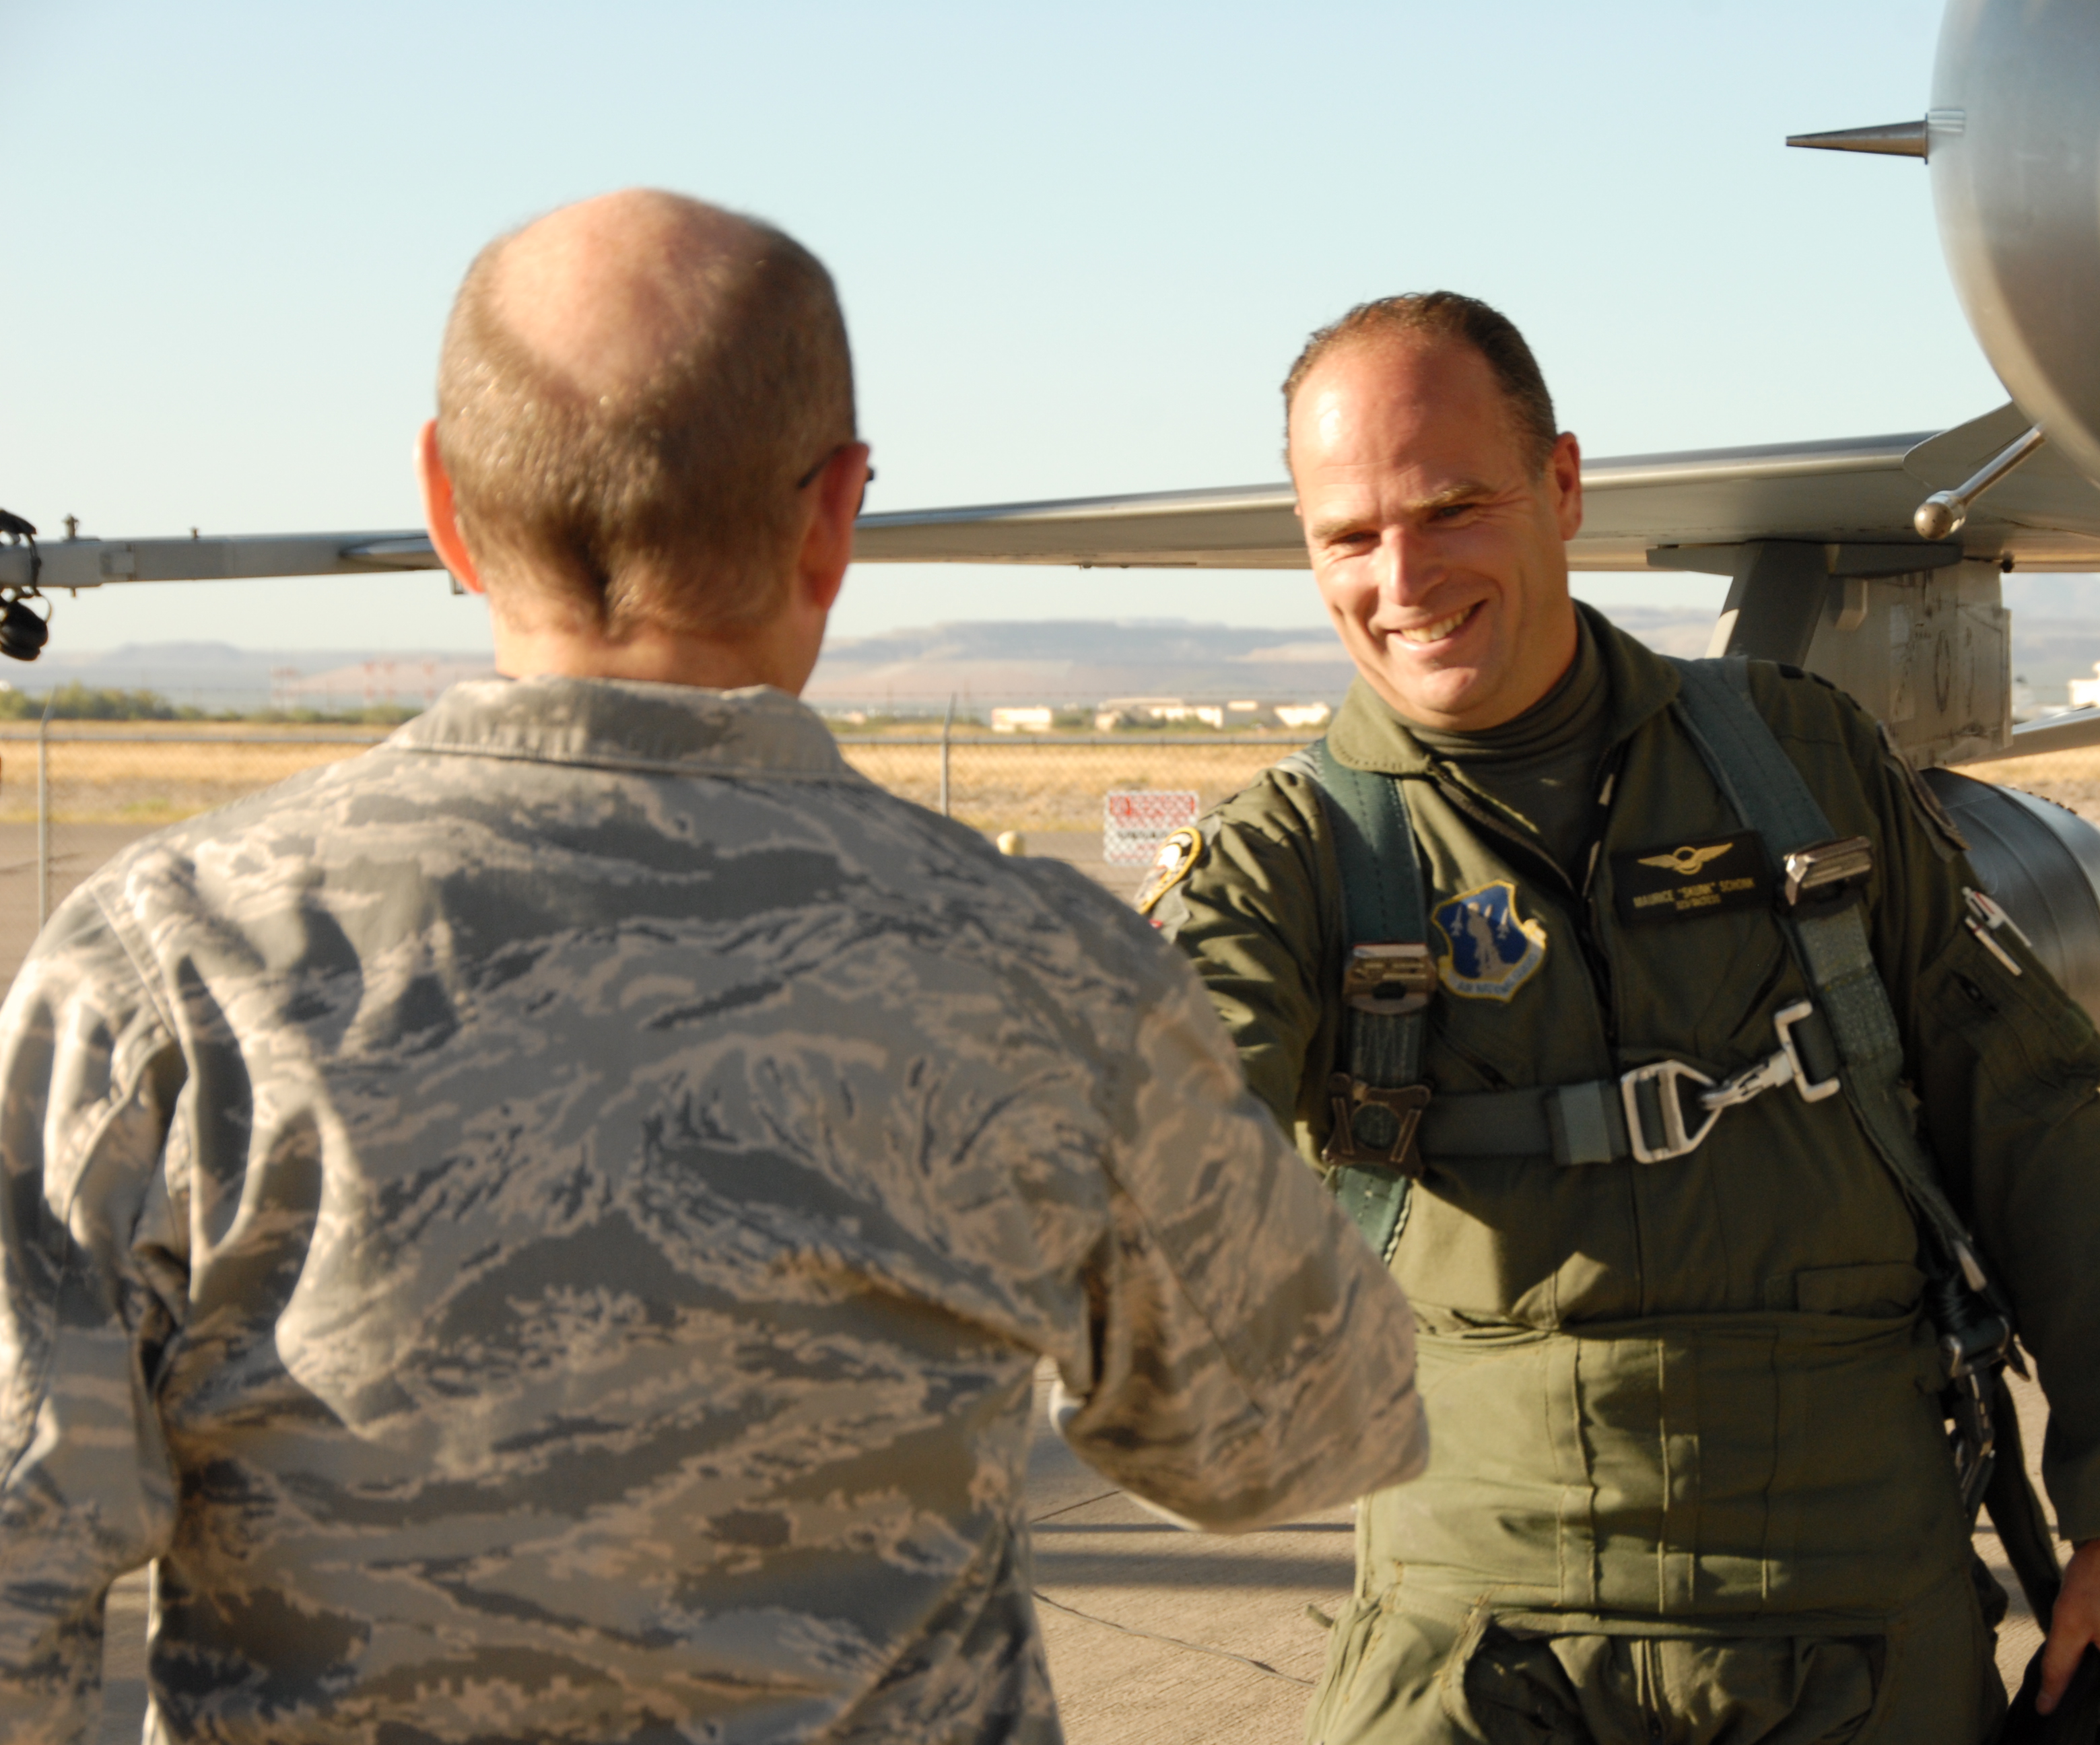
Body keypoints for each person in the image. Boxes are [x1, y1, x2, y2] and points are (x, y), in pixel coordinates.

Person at [0, 191, 1425, 1745]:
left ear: (443, 505)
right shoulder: (1043, 976)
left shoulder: (164, 971)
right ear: (836, 515)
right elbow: (1296, 1430)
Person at [1139, 292, 2100, 1742]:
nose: (1403, 577)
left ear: (1562, 486)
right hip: (1480, 1627)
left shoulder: (1801, 768)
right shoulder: (1287, 857)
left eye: (1454, 508)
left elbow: (2024, 1108)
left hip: (1849, 1614)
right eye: (1350, 536)